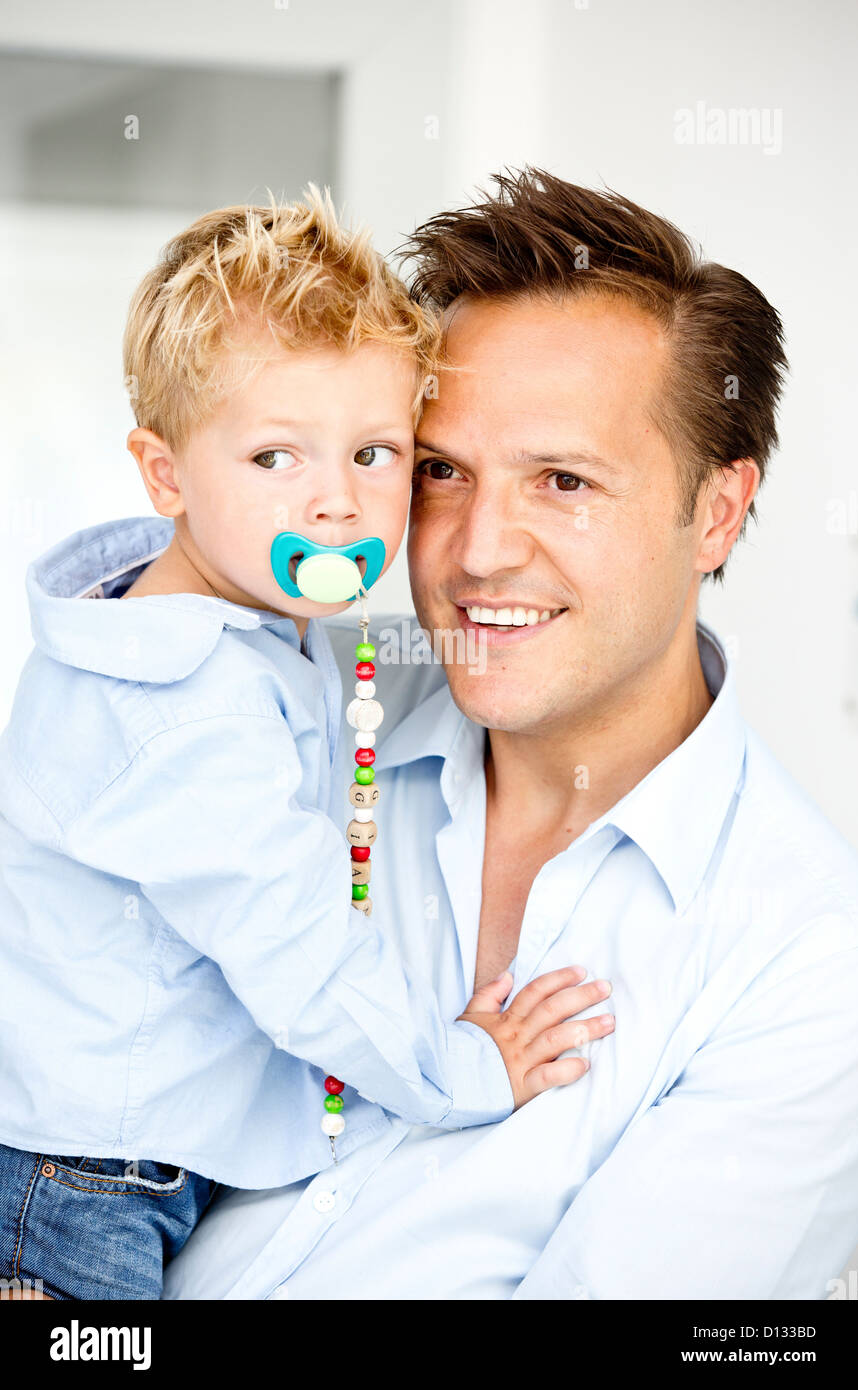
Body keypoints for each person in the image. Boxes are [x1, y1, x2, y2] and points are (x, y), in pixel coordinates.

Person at [163, 169, 858, 1301]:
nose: (479, 549)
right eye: (441, 471)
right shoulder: (286, 701)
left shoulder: (808, 965)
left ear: (716, 512)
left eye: (561, 480)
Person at [0, 188, 609, 1301]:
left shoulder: (199, 621)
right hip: (76, 1193)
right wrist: (465, 1063)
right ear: (166, 474)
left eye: (375, 453)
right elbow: (301, 955)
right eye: (276, 457)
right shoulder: (189, 713)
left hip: (104, 1168)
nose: (336, 504)